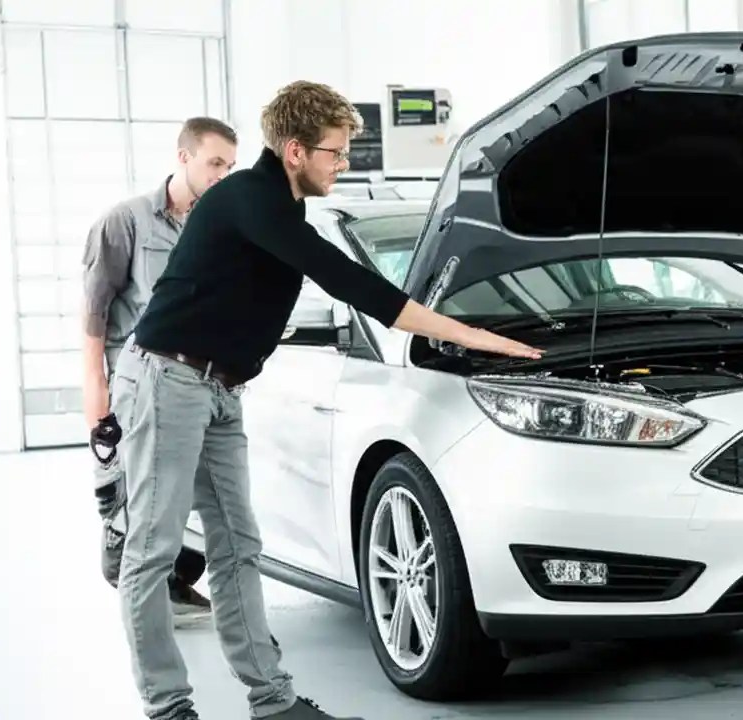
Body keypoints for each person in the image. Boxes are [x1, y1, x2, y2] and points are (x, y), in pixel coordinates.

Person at [108, 80, 543, 720]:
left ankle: (274, 703)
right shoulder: (249, 200)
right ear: (294, 151)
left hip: (220, 390)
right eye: (334, 154)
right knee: (153, 551)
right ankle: (169, 708)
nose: (341, 165)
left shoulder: (279, 209)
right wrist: (475, 335)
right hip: (167, 381)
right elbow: (350, 282)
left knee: (237, 548)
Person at [81, 117, 239, 624]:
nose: (222, 174)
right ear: (183, 156)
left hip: (195, 380)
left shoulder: (214, 226)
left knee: (189, 491)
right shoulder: (124, 222)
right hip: (137, 382)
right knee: (135, 495)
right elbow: (92, 324)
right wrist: (99, 413)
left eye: (230, 167)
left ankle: (170, 582)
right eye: (215, 163)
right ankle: (135, 581)